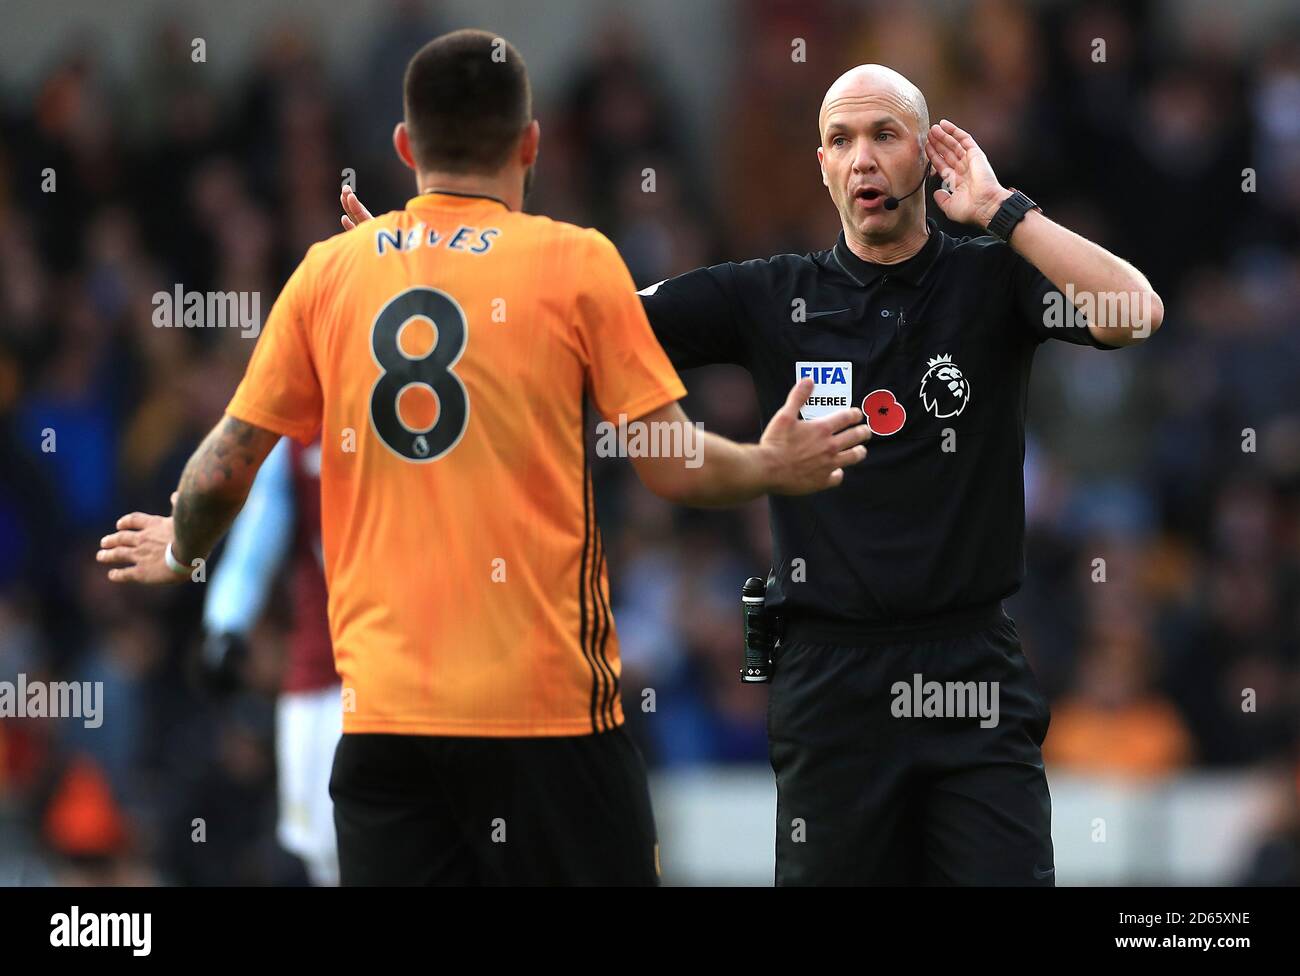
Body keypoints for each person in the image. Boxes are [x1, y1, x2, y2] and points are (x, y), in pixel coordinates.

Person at [344, 62, 1167, 884]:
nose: (864, 159)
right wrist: (431, 282)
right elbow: (580, 330)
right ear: (821, 166)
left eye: (885, 135)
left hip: (971, 678)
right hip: (830, 683)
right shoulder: (772, 296)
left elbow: (1136, 313)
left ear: (930, 155)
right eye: (841, 140)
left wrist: (1000, 210)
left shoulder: (990, 278)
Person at [95, 29, 870, 885]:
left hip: (388, 727)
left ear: (403, 147)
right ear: (531, 144)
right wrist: (771, 463)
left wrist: (180, 549)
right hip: (550, 719)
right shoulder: (576, 263)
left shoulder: (328, 274)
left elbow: (227, 462)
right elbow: (668, 462)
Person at [202, 437, 342, 886]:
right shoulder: (296, 445)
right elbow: (252, 547)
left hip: (412, 673)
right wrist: (226, 624)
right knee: (323, 849)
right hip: (323, 674)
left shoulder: (416, 419)